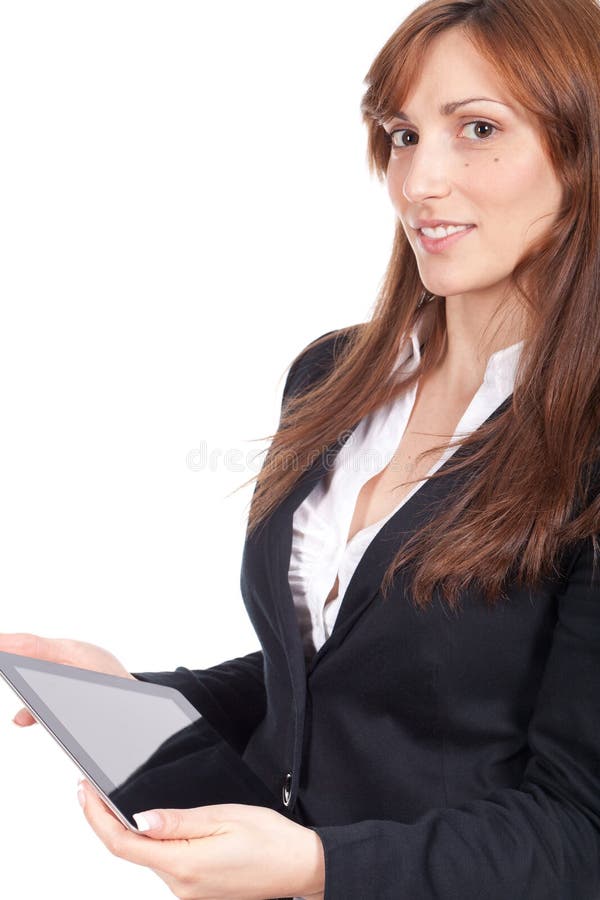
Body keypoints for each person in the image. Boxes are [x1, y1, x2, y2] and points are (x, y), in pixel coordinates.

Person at [2, 0, 600, 896]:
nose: (418, 182)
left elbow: (580, 828)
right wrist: (140, 699)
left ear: (583, 152)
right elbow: (348, 677)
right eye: (402, 135)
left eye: (478, 129)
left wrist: (323, 867)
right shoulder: (333, 377)